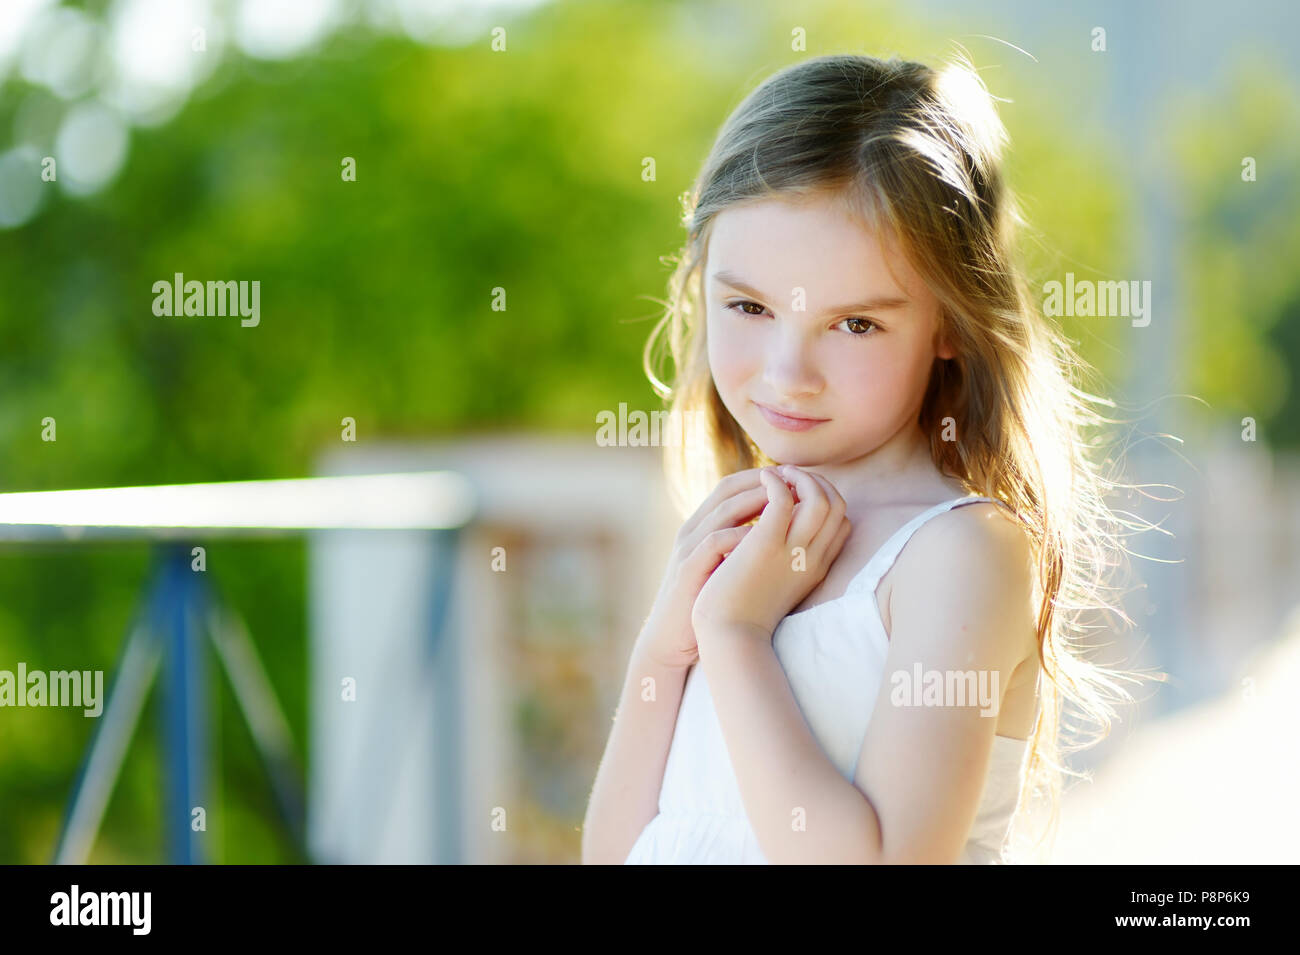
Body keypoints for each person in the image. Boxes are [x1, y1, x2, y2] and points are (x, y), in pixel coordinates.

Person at [582, 51, 1143, 864]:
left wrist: (734, 636)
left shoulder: (960, 553)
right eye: (748, 306)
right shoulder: (746, 530)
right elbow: (617, 851)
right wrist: (666, 644)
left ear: (952, 323)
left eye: (856, 325)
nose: (786, 373)